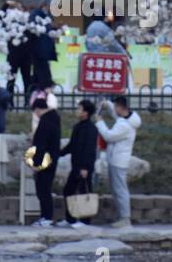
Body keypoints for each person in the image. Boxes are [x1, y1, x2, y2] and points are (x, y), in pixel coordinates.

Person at [96, 95, 141, 229]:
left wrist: (100, 122)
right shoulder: (127, 119)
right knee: (116, 189)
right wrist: (107, 104)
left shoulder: (125, 126)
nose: (114, 109)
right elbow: (116, 115)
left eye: (116, 107)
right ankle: (122, 216)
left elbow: (109, 136)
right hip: (115, 159)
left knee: (120, 190)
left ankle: (125, 218)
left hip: (118, 161)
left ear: (121, 108)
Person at [59, 100, 99, 228]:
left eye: (80, 109)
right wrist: (60, 153)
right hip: (75, 166)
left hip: (84, 167)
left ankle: (85, 220)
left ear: (86, 112)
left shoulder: (91, 129)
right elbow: (72, 145)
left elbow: (89, 150)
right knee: (68, 191)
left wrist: (85, 167)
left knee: (85, 192)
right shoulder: (78, 126)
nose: (77, 111)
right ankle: (70, 218)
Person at [29, 97, 62, 227]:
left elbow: (40, 145)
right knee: (45, 188)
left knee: (43, 189)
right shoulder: (54, 119)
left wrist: (35, 163)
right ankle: (45, 216)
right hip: (51, 159)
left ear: (37, 110)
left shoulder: (45, 122)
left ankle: (47, 217)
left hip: (44, 161)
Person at [28, 0, 58, 94]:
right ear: (45, 5)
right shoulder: (36, 14)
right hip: (39, 50)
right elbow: (33, 28)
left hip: (45, 50)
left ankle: (37, 94)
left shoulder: (48, 16)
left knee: (39, 75)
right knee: (44, 74)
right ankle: (44, 92)